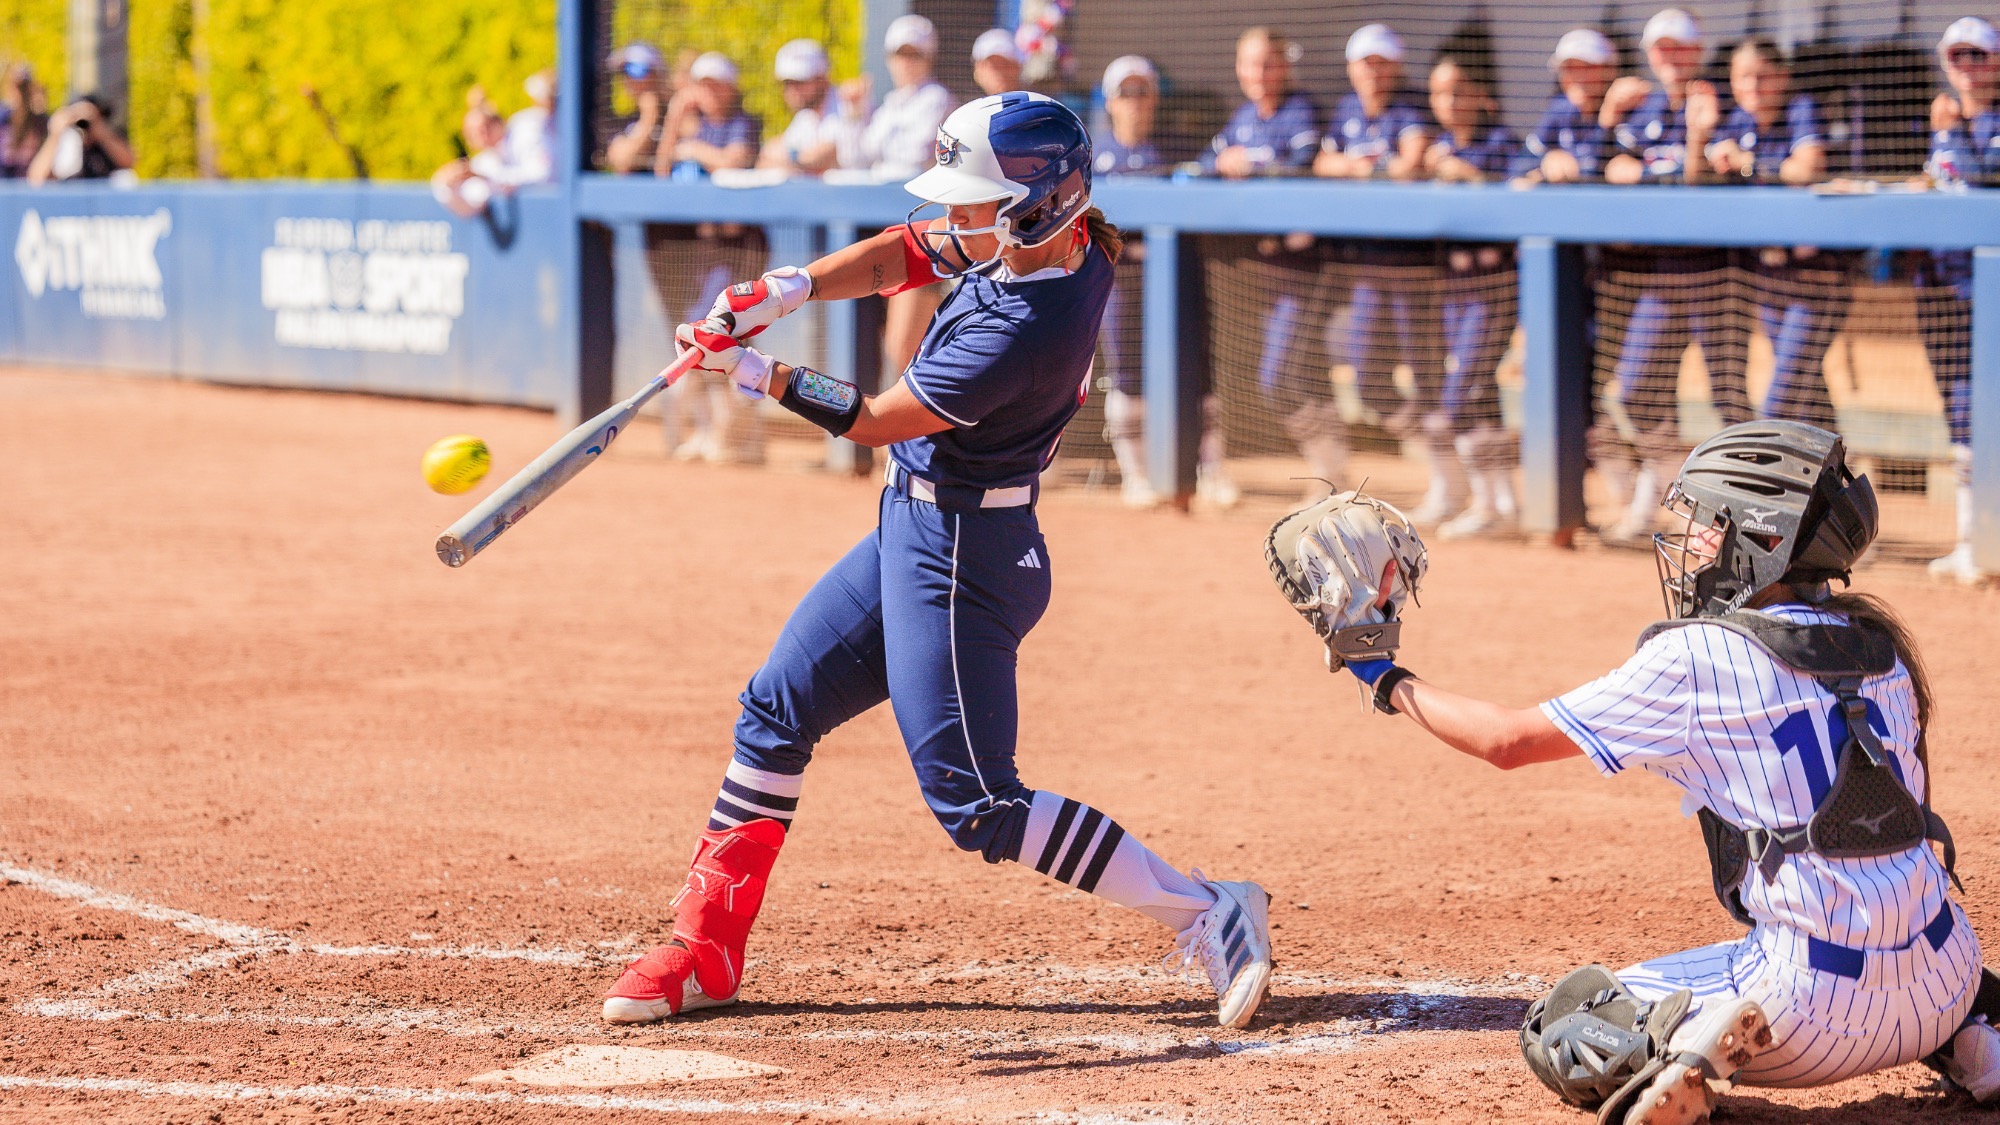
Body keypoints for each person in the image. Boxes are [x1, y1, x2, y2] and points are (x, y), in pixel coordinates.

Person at [599, 93, 1274, 1033]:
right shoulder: (1050, 236)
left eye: (973, 202)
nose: (954, 221)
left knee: (978, 802)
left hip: (965, 557)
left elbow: (875, 418)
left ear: (1040, 202)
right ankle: (705, 945)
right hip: (913, 530)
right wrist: (787, 288)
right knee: (775, 708)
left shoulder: (1024, 326)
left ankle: (1211, 908)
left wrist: (760, 374)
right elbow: (908, 252)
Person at [1280, 420, 1999, 1122]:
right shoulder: (1884, 645)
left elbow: (1506, 740)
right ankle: (1979, 1043)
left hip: (1804, 1012)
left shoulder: (1697, 657)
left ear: (1763, 536)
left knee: (1564, 1020)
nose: (1691, 543)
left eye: (1710, 525)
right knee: (1920, 931)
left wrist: (1381, 674)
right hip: (1943, 978)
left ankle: (1683, 1043)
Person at [1592, 9, 1752, 546]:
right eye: (1659, 47)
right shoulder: (1643, 107)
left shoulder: (1723, 103)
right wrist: (1607, 122)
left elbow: (1695, 186)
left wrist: (1695, 141)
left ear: (1698, 49)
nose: (1668, 57)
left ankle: (1748, 521)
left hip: (1718, 275)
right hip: (1663, 275)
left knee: (1730, 400)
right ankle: (1670, 497)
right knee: (1636, 392)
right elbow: (1610, 167)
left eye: (1678, 47)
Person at [1314, 24, 1455, 522]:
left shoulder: (1412, 104)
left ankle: (1449, 481)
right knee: (1370, 379)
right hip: (1369, 266)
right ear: (1352, 68)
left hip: (1417, 266)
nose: (1372, 72)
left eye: (1381, 62)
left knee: (1428, 375)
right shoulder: (1346, 109)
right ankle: (1445, 468)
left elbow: (1411, 163)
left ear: (1396, 66)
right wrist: (1369, 167)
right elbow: (1321, 162)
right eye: (1364, 63)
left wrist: (1358, 168)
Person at [1089, 55, 1238, 508]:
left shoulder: (1180, 147)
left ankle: (1211, 471)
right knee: (1126, 375)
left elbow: (1211, 181)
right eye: (1125, 93)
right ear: (1110, 102)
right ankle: (1136, 476)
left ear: (1155, 99)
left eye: (1143, 92)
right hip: (1118, 282)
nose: (1135, 102)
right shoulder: (1093, 154)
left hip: (1178, 280)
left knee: (1194, 372)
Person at [1203, 28, 1344, 495]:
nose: (1258, 74)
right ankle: (1332, 473)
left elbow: (1304, 163)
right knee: (1294, 373)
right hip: (1265, 273)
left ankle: (1330, 472)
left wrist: (1254, 167)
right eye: (1249, 64)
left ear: (1285, 66)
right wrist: (1223, 165)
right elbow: (1207, 162)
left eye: (1268, 63)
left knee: (1278, 374)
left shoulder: (1300, 110)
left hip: (1309, 266)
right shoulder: (1243, 117)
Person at [1694, 39, 1849, 432]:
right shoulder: (1738, 121)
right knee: (1808, 393)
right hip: (1768, 278)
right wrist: (1700, 136)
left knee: (1780, 400)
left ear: (1782, 78)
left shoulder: (1801, 109)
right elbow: (1696, 180)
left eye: (1762, 76)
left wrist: (1748, 162)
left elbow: (1809, 167)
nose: (1752, 86)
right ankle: (1840, 489)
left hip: (1816, 275)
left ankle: (1771, 488)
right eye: (1742, 77)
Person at [647, 51, 766, 464]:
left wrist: (694, 147)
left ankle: (735, 439)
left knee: (717, 336)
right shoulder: (694, 127)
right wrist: (677, 121)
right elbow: (663, 171)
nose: (709, 93)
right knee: (714, 342)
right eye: (703, 85)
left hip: (740, 251)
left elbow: (736, 160)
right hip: (702, 252)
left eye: (716, 85)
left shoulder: (743, 122)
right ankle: (713, 434)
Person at [1424, 51, 1521, 538]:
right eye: (1439, 92)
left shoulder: (1503, 143)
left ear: (1481, 96)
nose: (1449, 101)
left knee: (1461, 391)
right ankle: (1500, 502)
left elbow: (1521, 199)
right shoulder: (1433, 147)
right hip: (1451, 286)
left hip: (1494, 284)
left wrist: (1473, 178)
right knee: (1479, 395)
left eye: (1459, 90)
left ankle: (1489, 501)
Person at [1915, 16, 1997, 584]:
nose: (1967, 67)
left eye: (1979, 55)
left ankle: (1984, 541)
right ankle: (1972, 540)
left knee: (1984, 411)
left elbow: (1979, 184)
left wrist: (1949, 136)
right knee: (1959, 412)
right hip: (1939, 283)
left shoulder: (1970, 124)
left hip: (1987, 288)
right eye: (1957, 56)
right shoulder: (1943, 118)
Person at [839, 14, 958, 376]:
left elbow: (914, 158)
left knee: (904, 348)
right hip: (878, 229)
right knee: (884, 347)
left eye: (914, 53)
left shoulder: (939, 99)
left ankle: (927, 426)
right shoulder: (888, 105)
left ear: (929, 56)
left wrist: (879, 165)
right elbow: (854, 159)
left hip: (920, 230)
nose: (906, 62)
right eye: (899, 53)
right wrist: (855, 114)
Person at [1509, 30, 1619, 184]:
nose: (1577, 77)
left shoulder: (1628, 107)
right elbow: (1517, 167)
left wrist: (1606, 124)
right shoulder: (1559, 109)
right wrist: (1546, 160)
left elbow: (1596, 170)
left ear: (1609, 70)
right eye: (1569, 69)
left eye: (1587, 67)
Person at [759, 39, 847, 175]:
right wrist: (798, 161)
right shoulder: (805, 115)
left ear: (822, 78)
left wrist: (792, 158)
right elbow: (765, 159)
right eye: (787, 83)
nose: (792, 90)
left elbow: (824, 156)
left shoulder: (846, 104)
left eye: (800, 82)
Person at [25, 95, 132, 186]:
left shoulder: (107, 140)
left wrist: (101, 130)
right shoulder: (65, 143)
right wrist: (55, 135)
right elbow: (36, 180)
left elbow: (129, 162)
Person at [604, 42, 670, 175]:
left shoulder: (679, 112)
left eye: (635, 70)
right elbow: (622, 162)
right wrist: (649, 118)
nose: (628, 79)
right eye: (624, 72)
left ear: (657, 74)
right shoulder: (624, 121)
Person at [1, 64, 48, 179]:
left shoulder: (42, 123)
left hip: (30, 190)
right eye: (16, 87)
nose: (20, 93)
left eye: (24, 88)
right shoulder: (2, 120)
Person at [971, 29, 1024, 97]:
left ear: (1018, 67)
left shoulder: (1038, 103)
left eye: (1006, 64)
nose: (1001, 72)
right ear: (978, 70)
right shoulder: (968, 107)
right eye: (994, 66)